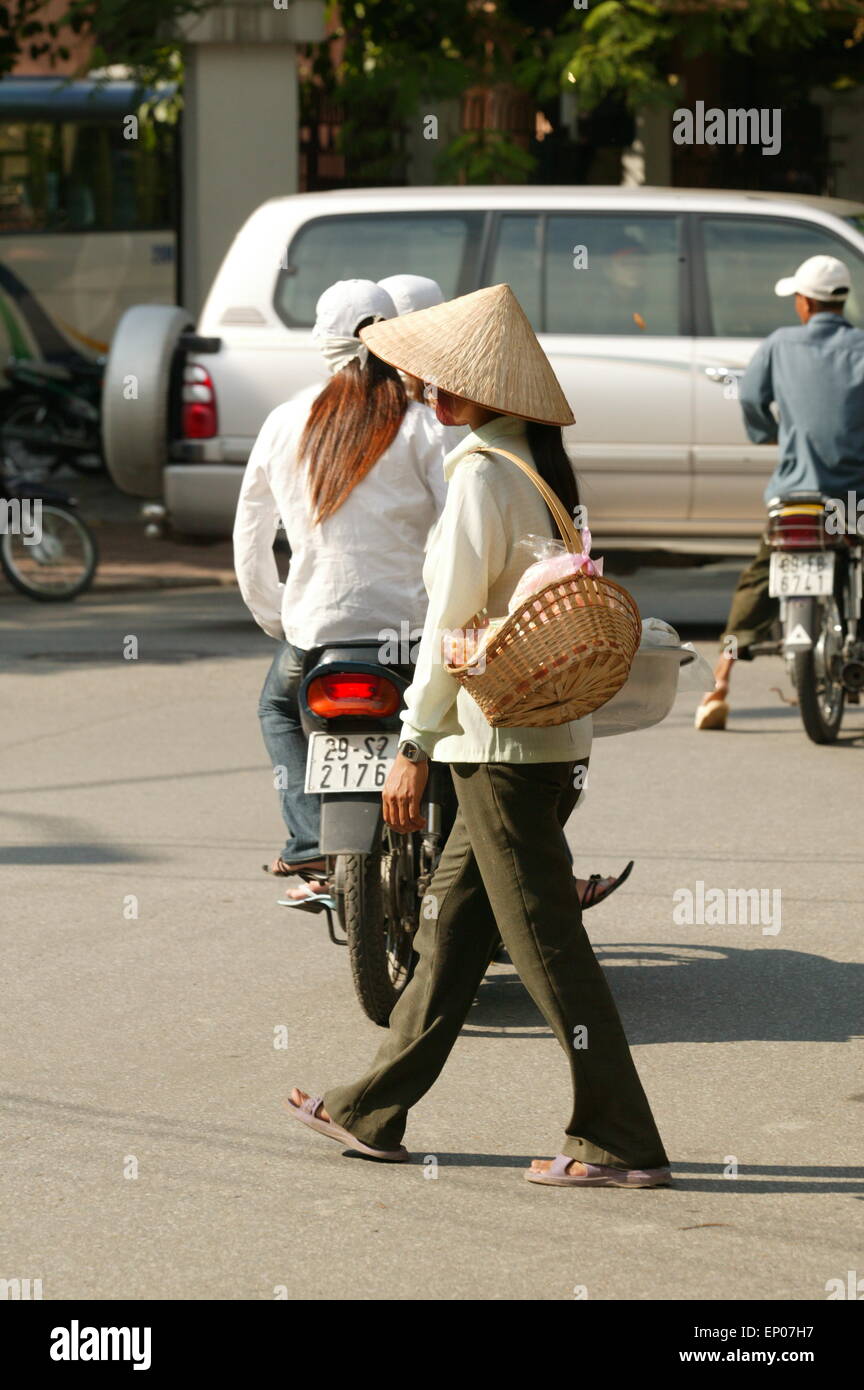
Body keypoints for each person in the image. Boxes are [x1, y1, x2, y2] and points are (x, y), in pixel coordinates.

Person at [286, 283, 671, 1189]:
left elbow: (450, 625)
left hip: (496, 752)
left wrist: (412, 749)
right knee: (448, 934)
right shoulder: (536, 468)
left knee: (545, 947)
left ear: (492, 392)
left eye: (447, 380)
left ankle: (620, 1140)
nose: (428, 390)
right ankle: (369, 1112)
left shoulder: (481, 476)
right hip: (535, 745)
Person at [233, 279, 449, 891]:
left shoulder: (284, 420)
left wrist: (280, 617)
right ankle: (469, 870)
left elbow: (250, 533)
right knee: (458, 731)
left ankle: (307, 844)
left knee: (277, 706)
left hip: (317, 632)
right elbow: (461, 523)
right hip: (412, 631)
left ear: (323, 343)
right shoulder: (427, 425)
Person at [696, 254, 864, 730]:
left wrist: (769, 434)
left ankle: (719, 684)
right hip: (853, 504)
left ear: (806, 303)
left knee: (758, 579)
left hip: (795, 500)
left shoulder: (779, 343)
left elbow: (750, 399)